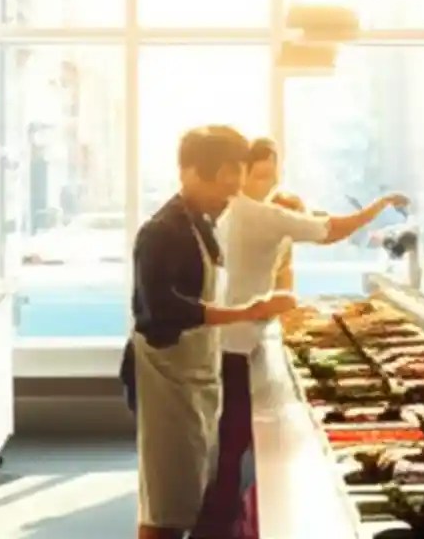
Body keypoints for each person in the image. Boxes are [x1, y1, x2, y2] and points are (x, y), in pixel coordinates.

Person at [196, 138, 409, 536]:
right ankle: (223, 520)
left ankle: (226, 515)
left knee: (231, 436)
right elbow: (333, 231)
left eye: (272, 172)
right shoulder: (257, 214)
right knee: (234, 436)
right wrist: (379, 207)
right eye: (259, 173)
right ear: (242, 174)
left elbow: (312, 224)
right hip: (238, 340)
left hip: (233, 337)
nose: (267, 180)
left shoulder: (241, 211)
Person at [122, 125, 298, 539]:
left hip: (196, 373)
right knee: (165, 504)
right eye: (224, 186)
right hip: (166, 376)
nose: (229, 197)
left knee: (189, 495)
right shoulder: (160, 232)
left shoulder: (202, 223)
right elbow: (161, 307)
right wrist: (246, 311)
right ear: (189, 173)